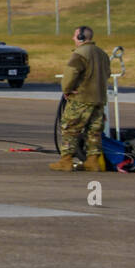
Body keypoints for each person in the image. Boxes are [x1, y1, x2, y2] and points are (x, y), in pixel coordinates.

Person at [51, 25, 111, 172]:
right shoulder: (102, 54)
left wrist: (67, 89)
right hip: (98, 99)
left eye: (75, 35)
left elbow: (71, 74)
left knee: (70, 128)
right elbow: (107, 74)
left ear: (81, 38)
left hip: (81, 98)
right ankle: (92, 161)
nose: (73, 38)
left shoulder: (79, 54)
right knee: (94, 131)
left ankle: (66, 160)